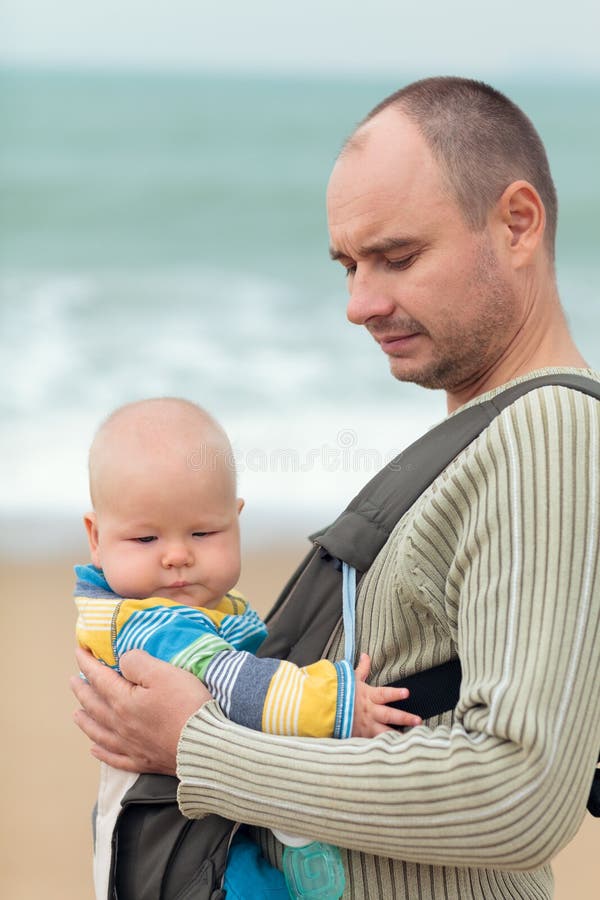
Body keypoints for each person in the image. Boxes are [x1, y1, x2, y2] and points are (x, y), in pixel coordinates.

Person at [72, 77, 600, 899]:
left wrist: (195, 748)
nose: (359, 302)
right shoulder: (488, 434)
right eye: (350, 264)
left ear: (518, 224)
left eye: (398, 257)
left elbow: (519, 793)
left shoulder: (548, 434)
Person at [75, 396, 417, 899]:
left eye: (203, 532)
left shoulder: (204, 608)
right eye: (146, 539)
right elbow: (238, 685)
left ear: (236, 521)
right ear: (96, 538)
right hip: (174, 839)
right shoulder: (150, 627)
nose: (176, 555)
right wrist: (340, 704)